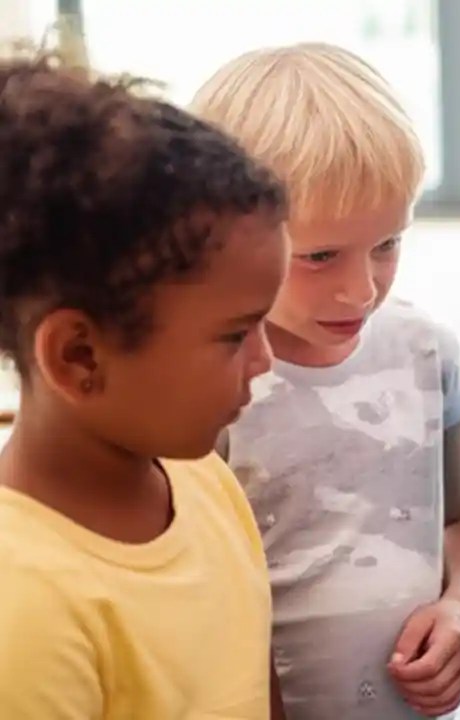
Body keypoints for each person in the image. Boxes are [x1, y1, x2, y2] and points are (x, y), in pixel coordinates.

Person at [191, 42, 460, 720]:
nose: (362, 290)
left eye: (388, 244)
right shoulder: (203, 390)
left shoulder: (426, 351)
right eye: (320, 256)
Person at [0, 50, 289, 718]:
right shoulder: (24, 607)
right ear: (79, 357)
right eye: (235, 334)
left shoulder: (206, 484)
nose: (265, 359)